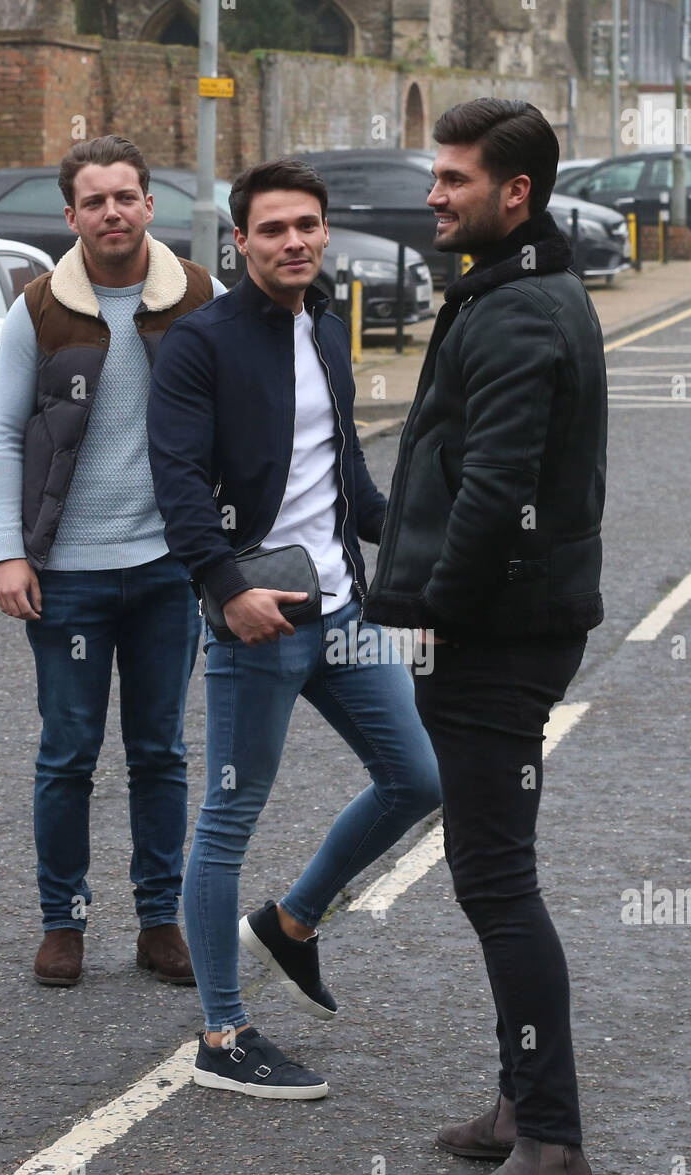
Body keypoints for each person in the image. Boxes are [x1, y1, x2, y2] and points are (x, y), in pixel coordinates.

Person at [146, 158, 442, 1100]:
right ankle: (222, 1035)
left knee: (419, 777)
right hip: (258, 619)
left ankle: (295, 920)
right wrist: (223, 588)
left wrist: (414, 539)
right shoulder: (201, 344)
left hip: (341, 607)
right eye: (272, 229)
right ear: (241, 241)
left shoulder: (326, 324)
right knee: (229, 820)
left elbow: (343, 468)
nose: (294, 241)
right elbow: (177, 482)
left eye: (307, 224)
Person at [364, 99, 608, 1175]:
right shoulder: (517, 290)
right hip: (509, 627)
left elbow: (496, 499)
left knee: (497, 883)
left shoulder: (517, 315)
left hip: (495, 639)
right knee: (492, 875)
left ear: (516, 194)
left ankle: (551, 1152)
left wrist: (431, 616)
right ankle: (520, 1105)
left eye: (455, 178)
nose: (434, 193)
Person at [0, 134, 226, 987]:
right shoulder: (39, 308)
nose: (113, 212)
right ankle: (65, 922)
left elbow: (243, 412)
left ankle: (161, 922)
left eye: (126, 197)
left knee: (160, 751)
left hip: (167, 569)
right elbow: (5, 436)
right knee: (68, 755)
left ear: (151, 205)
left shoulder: (199, 295)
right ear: (71, 215)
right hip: (69, 575)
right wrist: (9, 554)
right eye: (95, 201)